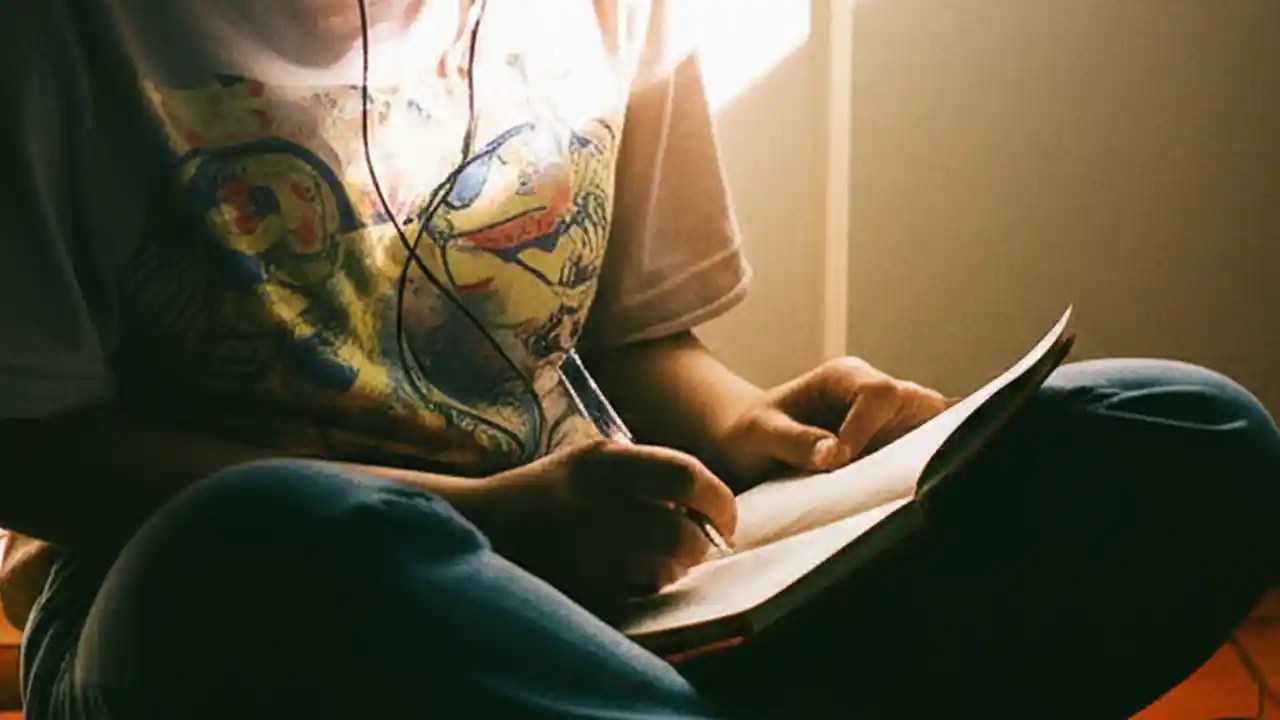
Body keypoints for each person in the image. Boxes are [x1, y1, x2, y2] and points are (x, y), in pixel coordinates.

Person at [1, 0, 1276, 717]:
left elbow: (638, 346)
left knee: (1188, 434)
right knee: (256, 548)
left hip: (618, 589)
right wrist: (492, 526)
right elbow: (39, 453)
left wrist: (783, 443)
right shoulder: (58, 34)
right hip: (262, 610)